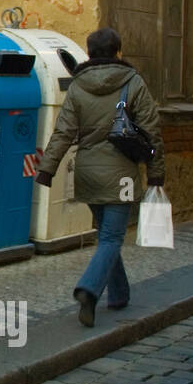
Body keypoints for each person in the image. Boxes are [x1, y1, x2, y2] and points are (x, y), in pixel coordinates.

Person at [34, 27, 166, 327]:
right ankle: (89, 290)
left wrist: (47, 169)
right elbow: (152, 131)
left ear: (90, 52)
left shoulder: (78, 85)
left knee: (107, 234)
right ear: (118, 52)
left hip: (87, 173)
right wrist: (156, 174)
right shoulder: (133, 82)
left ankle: (118, 295)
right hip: (120, 174)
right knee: (111, 237)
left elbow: (64, 131)